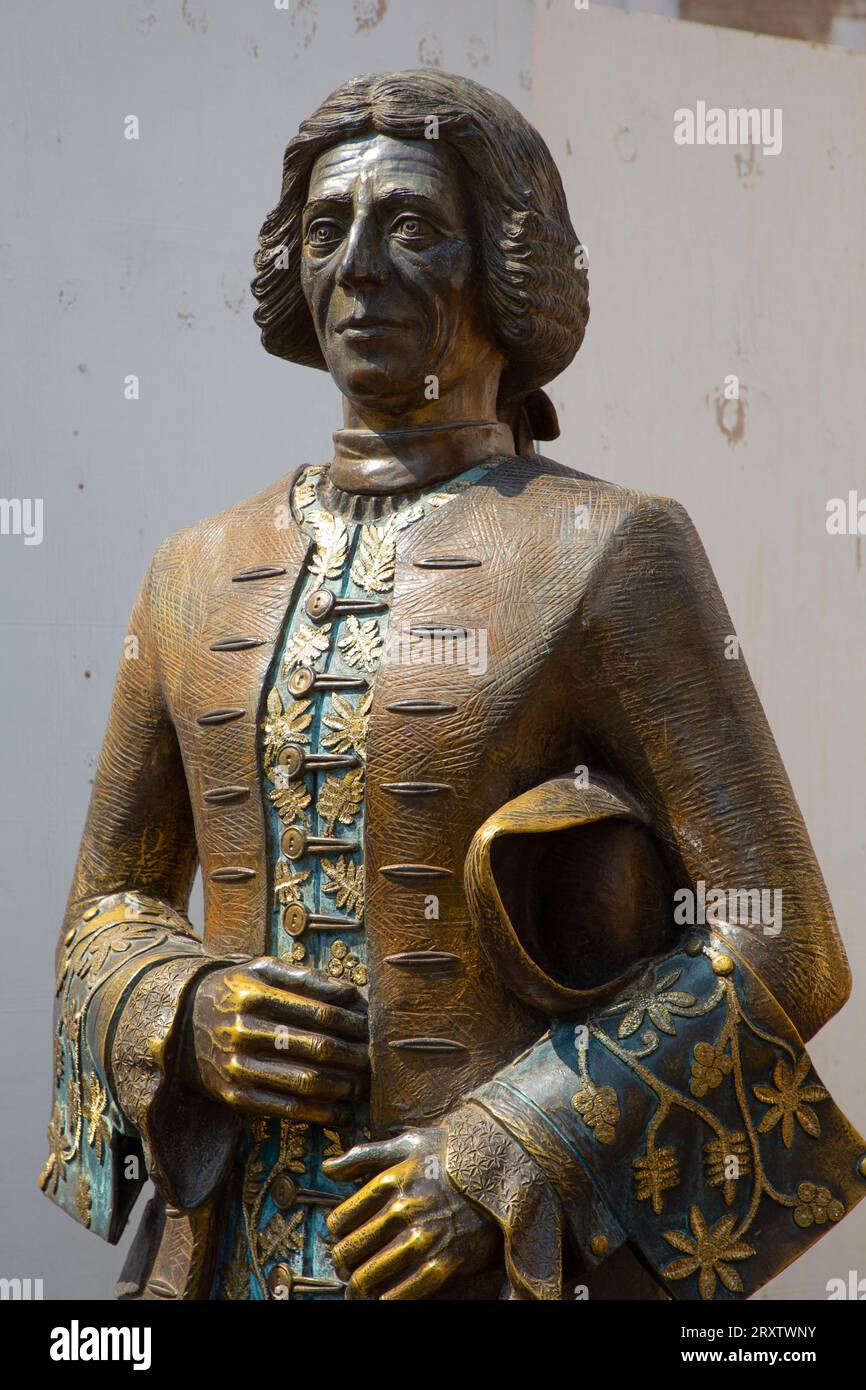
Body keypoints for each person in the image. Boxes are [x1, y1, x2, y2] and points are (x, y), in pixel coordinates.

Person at [42, 69, 865, 1301]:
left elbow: (779, 934)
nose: (360, 265)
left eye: (412, 226)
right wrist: (185, 1003)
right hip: (218, 1267)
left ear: (503, 264)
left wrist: (507, 1143)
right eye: (327, 229)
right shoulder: (194, 572)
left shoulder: (607, 549)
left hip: (486, 1271)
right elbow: (104, 913)